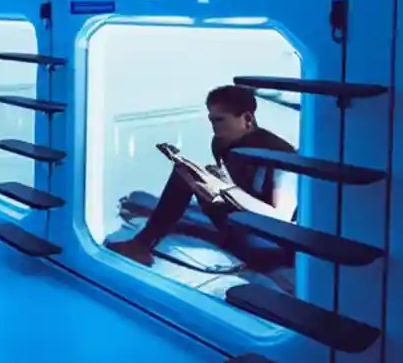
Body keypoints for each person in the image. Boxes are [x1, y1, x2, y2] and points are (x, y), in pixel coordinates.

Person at [105, 85, 297, 270]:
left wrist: (226, 190)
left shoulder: (280, 156)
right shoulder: (222, 144)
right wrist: (207, 185)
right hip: (242, 224)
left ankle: (142, 244)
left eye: (220, 120)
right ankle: (143, 243)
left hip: (270, 247)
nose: (214, 128)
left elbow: (280, 219)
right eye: (211, 120)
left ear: (247, 118)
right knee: (185, 174)